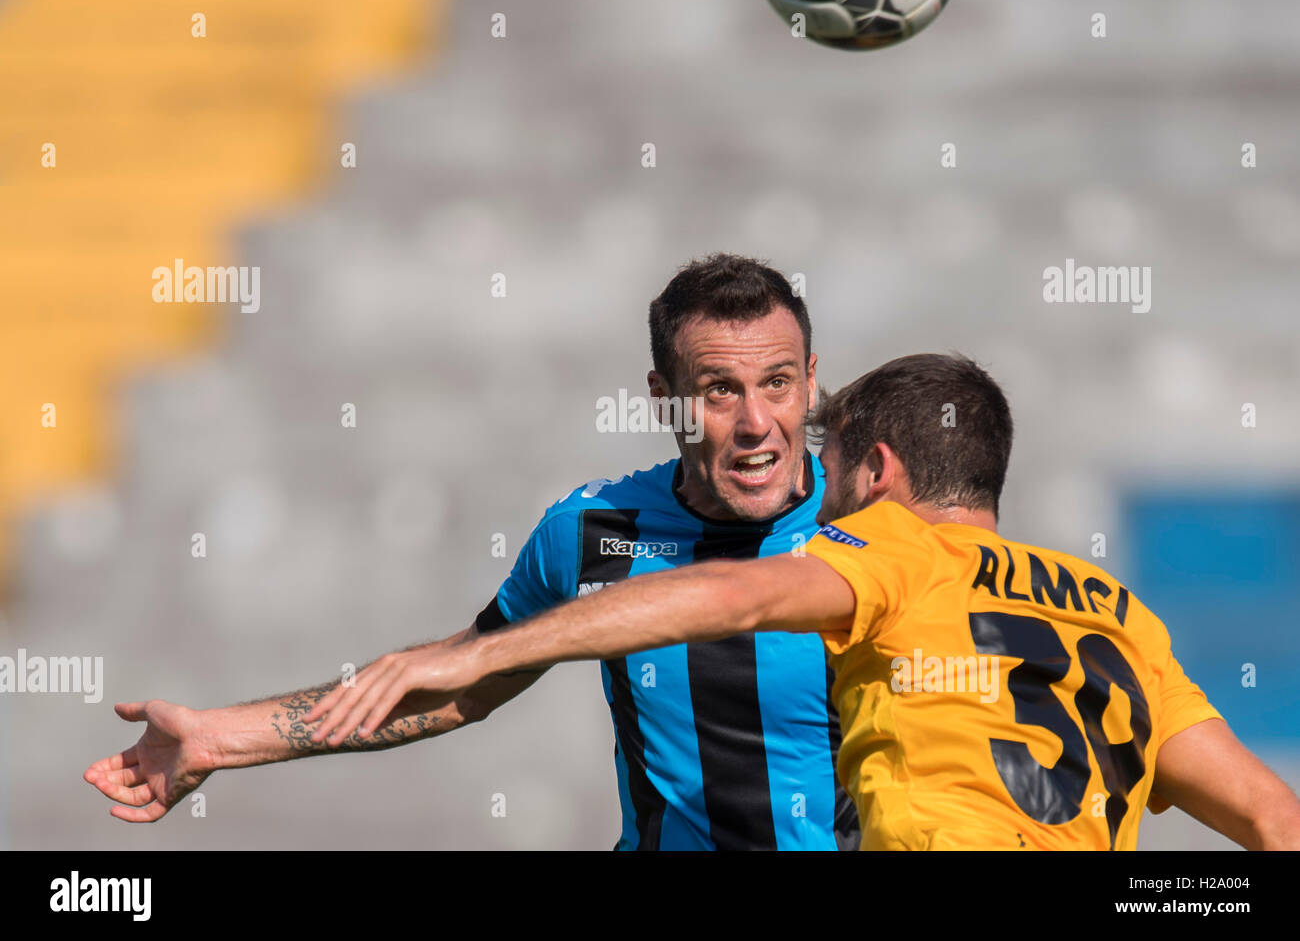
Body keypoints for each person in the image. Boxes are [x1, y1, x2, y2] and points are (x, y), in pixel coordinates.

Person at [305, 353, 1300, 850]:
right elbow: (1269, 810)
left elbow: (735, 598)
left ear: (875, 470)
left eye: (830, 476)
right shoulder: (1116, 610)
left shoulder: (893, 548)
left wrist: (486, 651)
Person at [84, 253, 860, 851]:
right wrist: (222, 737)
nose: (758, 420)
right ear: (663, 396)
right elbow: (466, 678)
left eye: (780, 382)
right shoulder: (592, 532)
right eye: (720, 389)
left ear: (813, 382)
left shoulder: (878, 525)